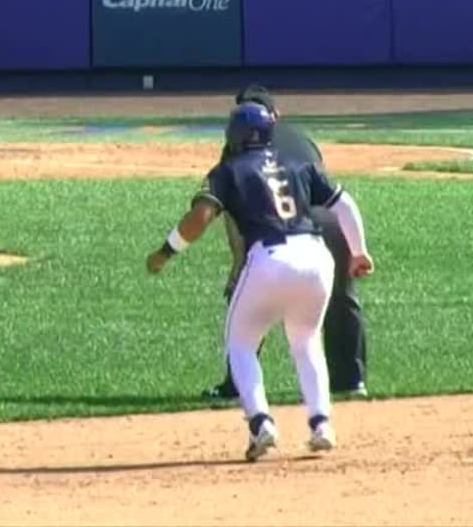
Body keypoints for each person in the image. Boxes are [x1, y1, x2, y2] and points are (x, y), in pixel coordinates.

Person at [146, 103, 374, 462]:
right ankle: (321, 425)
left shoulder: (229, 169)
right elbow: (343, 203)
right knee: (306, 342)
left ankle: (261, 424)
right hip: (316, 258)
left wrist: (166, 251)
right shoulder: (298, 163)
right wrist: (359, 252)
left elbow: (201, 216)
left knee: (240, 344)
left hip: (268, 259)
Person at [207, 86, 369, 400]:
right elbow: (326, 185)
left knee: (249, 301)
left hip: (285, 226)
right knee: (342, 297)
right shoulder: (301, 138)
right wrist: (359, 249)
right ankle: (351, 380)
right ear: (276, 114)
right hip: (332, 218)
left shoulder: (238, 145)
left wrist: (238, 262)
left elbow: (233, 207)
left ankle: (236, 385)